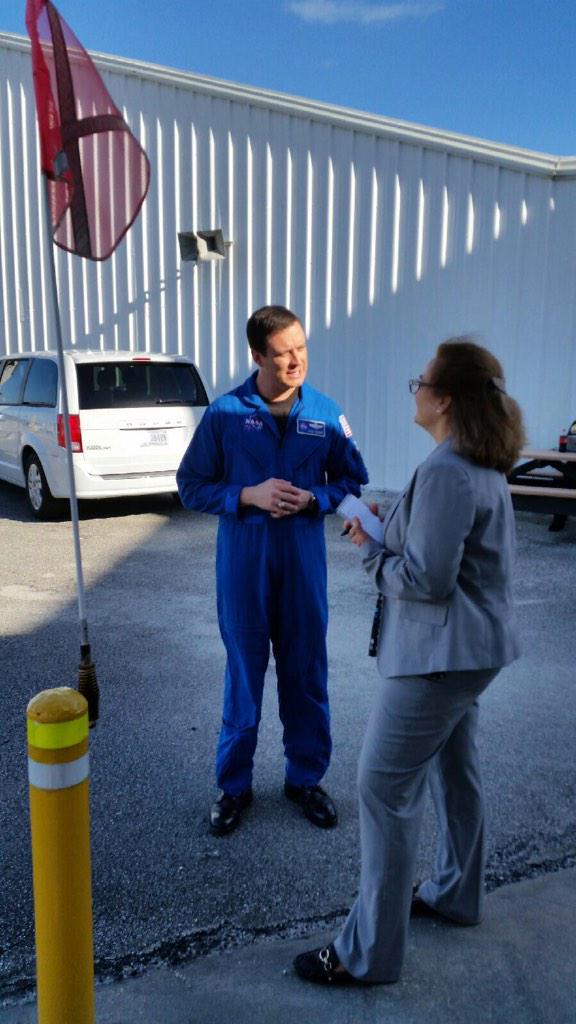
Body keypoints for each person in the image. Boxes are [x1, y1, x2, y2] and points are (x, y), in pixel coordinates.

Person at [294, 337, 525, 985]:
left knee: (384, 788)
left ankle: (368, 954)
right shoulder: (476, 462)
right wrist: (382, 525)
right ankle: (455, 893)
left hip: (439, 655)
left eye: (419, 381)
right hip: (472, 650)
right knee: (456, 771)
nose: (415, 390)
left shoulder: (450, 469)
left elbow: (426, 580)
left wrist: (371, 547)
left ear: (443, 398)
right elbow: (445, 552)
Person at [177, 305, 368, 836]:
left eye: (301, 348)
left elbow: (353, 481)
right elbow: (190, 485)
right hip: (244, 568)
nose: (295, 361)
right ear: (257, 355)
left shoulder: (326, 413)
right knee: (244, 676)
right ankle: (233, 786)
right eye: (282, 352)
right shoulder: (225, 415)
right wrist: (246, 494)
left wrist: (315, 498)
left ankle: (305, 778)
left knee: (306, 673)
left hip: (303, 569)